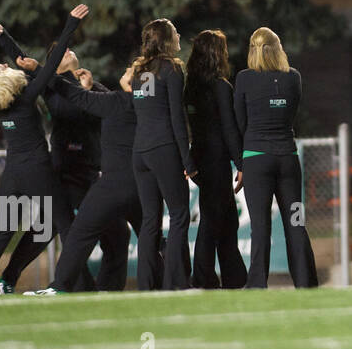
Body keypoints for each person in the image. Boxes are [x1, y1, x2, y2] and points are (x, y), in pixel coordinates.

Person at [0, 5, 87, 295]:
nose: (4, 66)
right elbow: (51, 65)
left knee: (3, 231)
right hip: (38, 170)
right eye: (2, 69)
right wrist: (70, 26)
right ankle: (78, 285)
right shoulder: (26, 98)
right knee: (65, 223)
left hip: (14, 174)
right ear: (2, 82)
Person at [25, 66, 141, 294]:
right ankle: (170, 282)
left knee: (79, 233)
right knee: (143, 235)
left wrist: (39, 70)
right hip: (136, 182)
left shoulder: (115, 101)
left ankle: (60, 287)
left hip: (109, 183)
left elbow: (79, 97)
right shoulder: (141, 103)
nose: (127, 68)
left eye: (132, 70)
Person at [235, 27, 319, 288]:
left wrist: (241, 164)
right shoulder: (293, 78)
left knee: (260, 228)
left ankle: (257, 284)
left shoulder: (244, 79)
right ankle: (306, 283)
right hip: (287, 161)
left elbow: (240, 122)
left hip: (257, 160)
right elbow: (291, 112)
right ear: (278, 49)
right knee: (296, 223)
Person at [130, 19, 193, 291]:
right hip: (163, 148)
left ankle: (146, 286)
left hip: (140, 152)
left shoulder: (139, 71)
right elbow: (177, 119)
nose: (179, 35)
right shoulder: (172, 69)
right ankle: (174, 283)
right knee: (179, 214)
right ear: (168, 39)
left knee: (150, 220)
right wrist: (188, 161)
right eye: (176, 32)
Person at [184, 30, 248, 289]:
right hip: (216, 162)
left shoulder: (191, 86)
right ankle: (203, 278)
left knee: (226, 218)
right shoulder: (221, 86)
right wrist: (241, 164)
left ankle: (233, 277)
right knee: (212, 220)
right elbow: (229, 130)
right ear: (216, 54)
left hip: (199, 158)